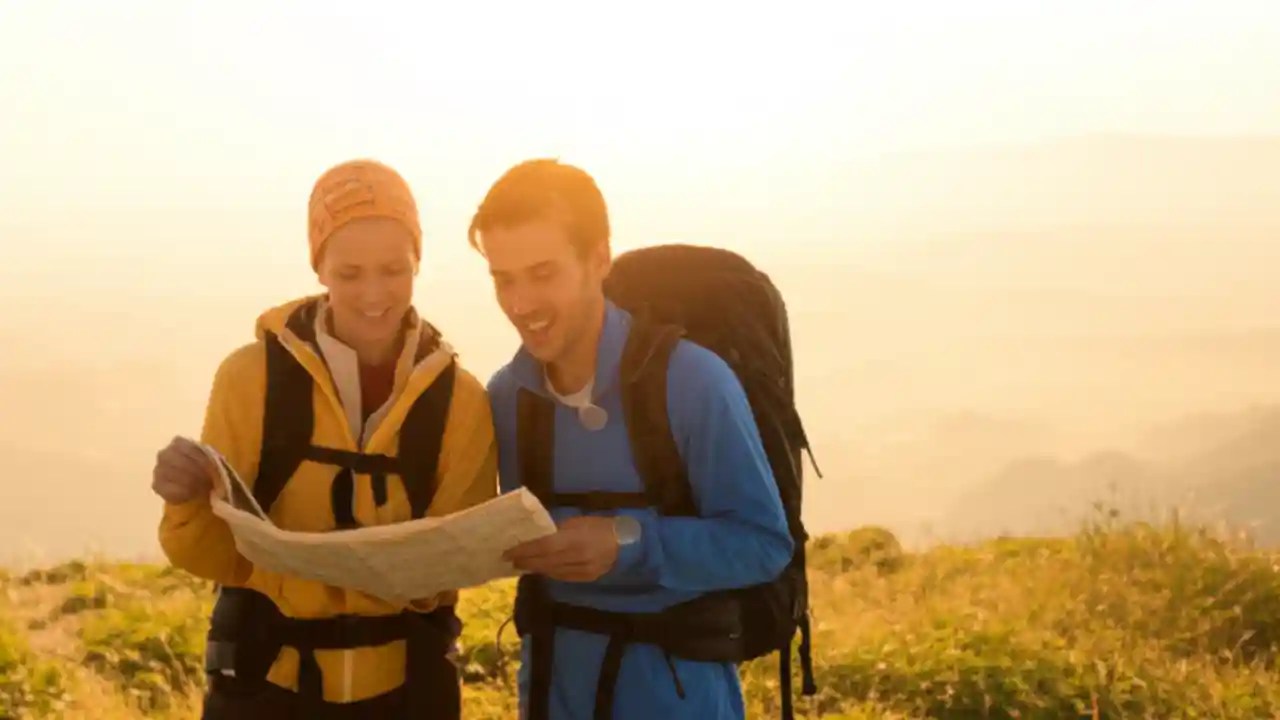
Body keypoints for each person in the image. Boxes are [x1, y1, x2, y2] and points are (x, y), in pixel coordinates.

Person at [151, 159, 498, 719]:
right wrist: (184, 501)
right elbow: (214, 557)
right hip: (266, 690)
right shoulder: (249, 379)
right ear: (319, 268)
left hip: (409, 694)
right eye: (349, 272)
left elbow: (459, 567)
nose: (374, 294)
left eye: (394, 269)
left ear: (418, 263)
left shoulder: (462, 401)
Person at [468, 158, 797, 720]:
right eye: (504, 279)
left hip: (681, 701)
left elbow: (763, 543)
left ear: (599, 260)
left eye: (543, 274)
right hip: (553, 695)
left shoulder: (693, 382)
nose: (520, 304)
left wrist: (626, 542)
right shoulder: (507, 397)